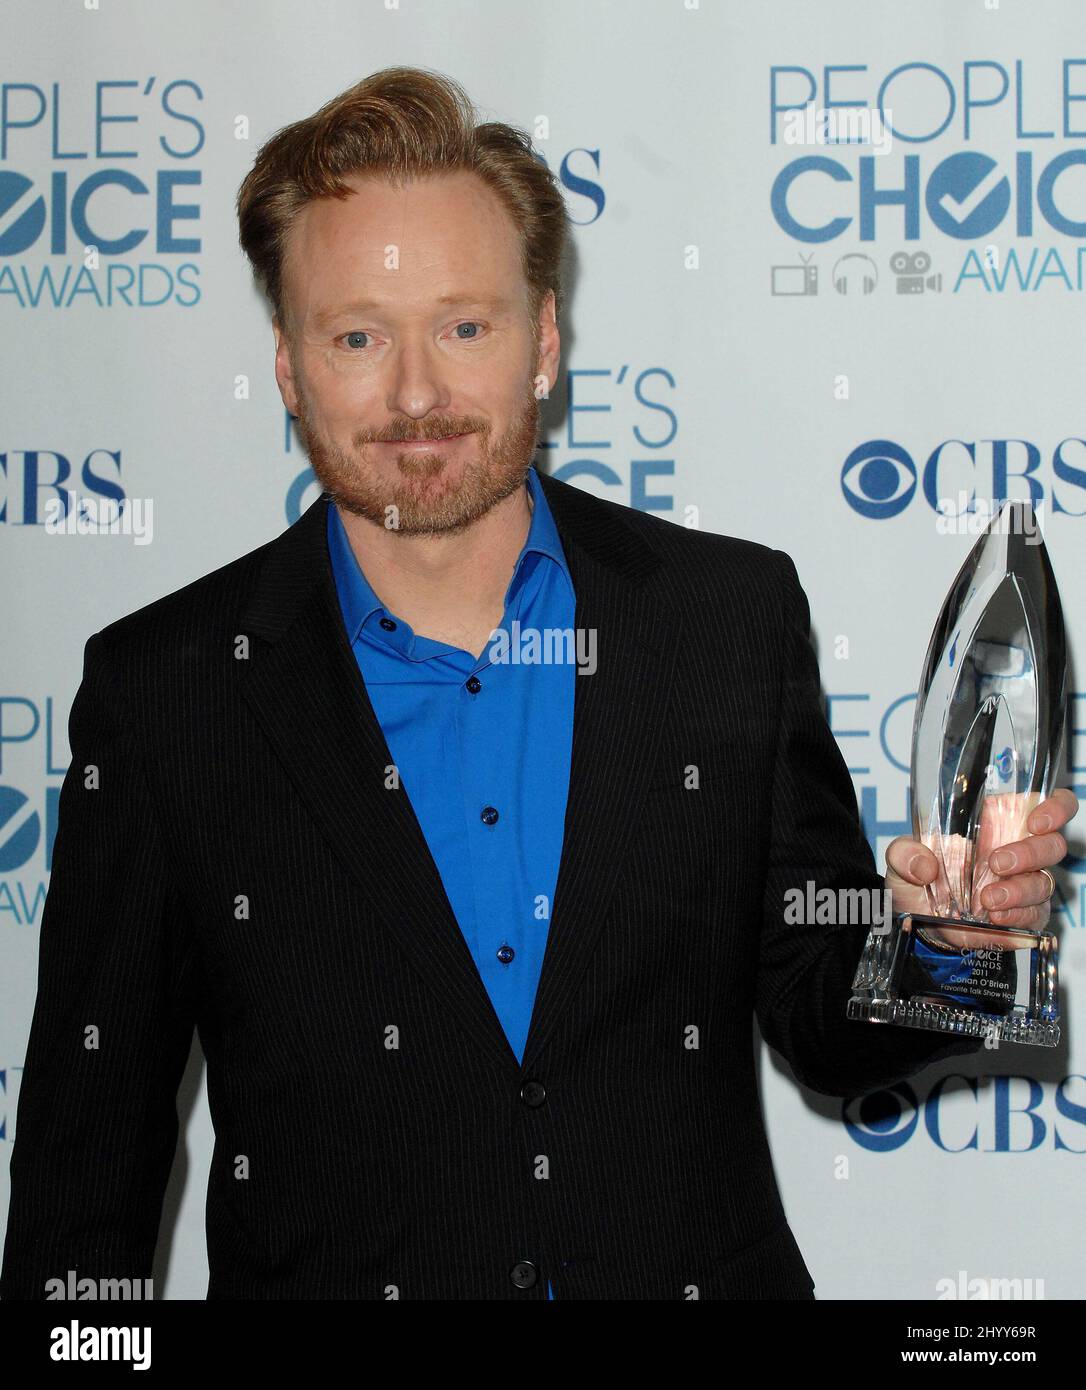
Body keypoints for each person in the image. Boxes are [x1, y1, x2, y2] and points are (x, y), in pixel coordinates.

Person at [1, 66, 1076, 1301]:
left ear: (545, 342)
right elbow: (85, 1195)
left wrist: (951, 945)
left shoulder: (725, 621)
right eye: (357, 336)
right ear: (289, 368)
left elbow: (822, 1015)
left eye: (465, 325)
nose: (416, 394)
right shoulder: (165, 697)